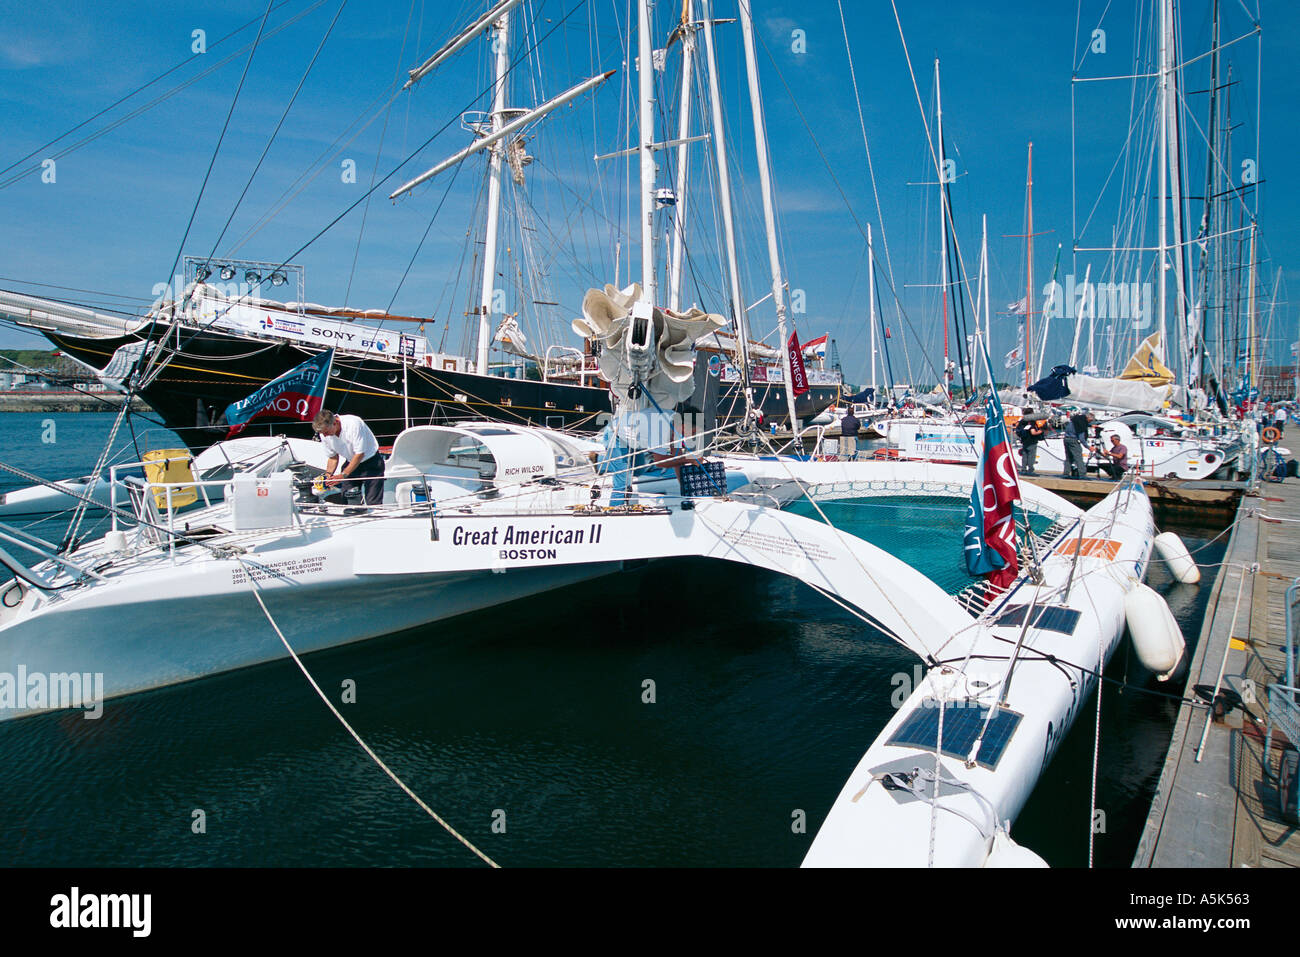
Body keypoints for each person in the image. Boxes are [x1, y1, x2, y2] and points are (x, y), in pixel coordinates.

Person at [313, 409, 385, 505]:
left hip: (371, 463)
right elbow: (333, 457)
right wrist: (328, 475)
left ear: (335, 422)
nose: (325, 436)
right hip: (351, 463)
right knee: (347, 500)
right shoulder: (324, 434)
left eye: (326, 432)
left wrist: (343, 475)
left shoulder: (354, 423)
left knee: (373, 503)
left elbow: (360, 454)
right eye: (322, 433)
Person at [1062, 411, 1093, 479]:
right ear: (1087, 418)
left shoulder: (1076, 419)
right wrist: (1088, 447)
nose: (1090, 422)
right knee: (1078, 458)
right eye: (1090, 420)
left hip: (1066, 439)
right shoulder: (1081, 425)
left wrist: (1090, 426)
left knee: (1068, 458)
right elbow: (1081, 438)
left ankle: (1066, 473)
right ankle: (1082, 475)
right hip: (1073, 440)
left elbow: (1078, 425)